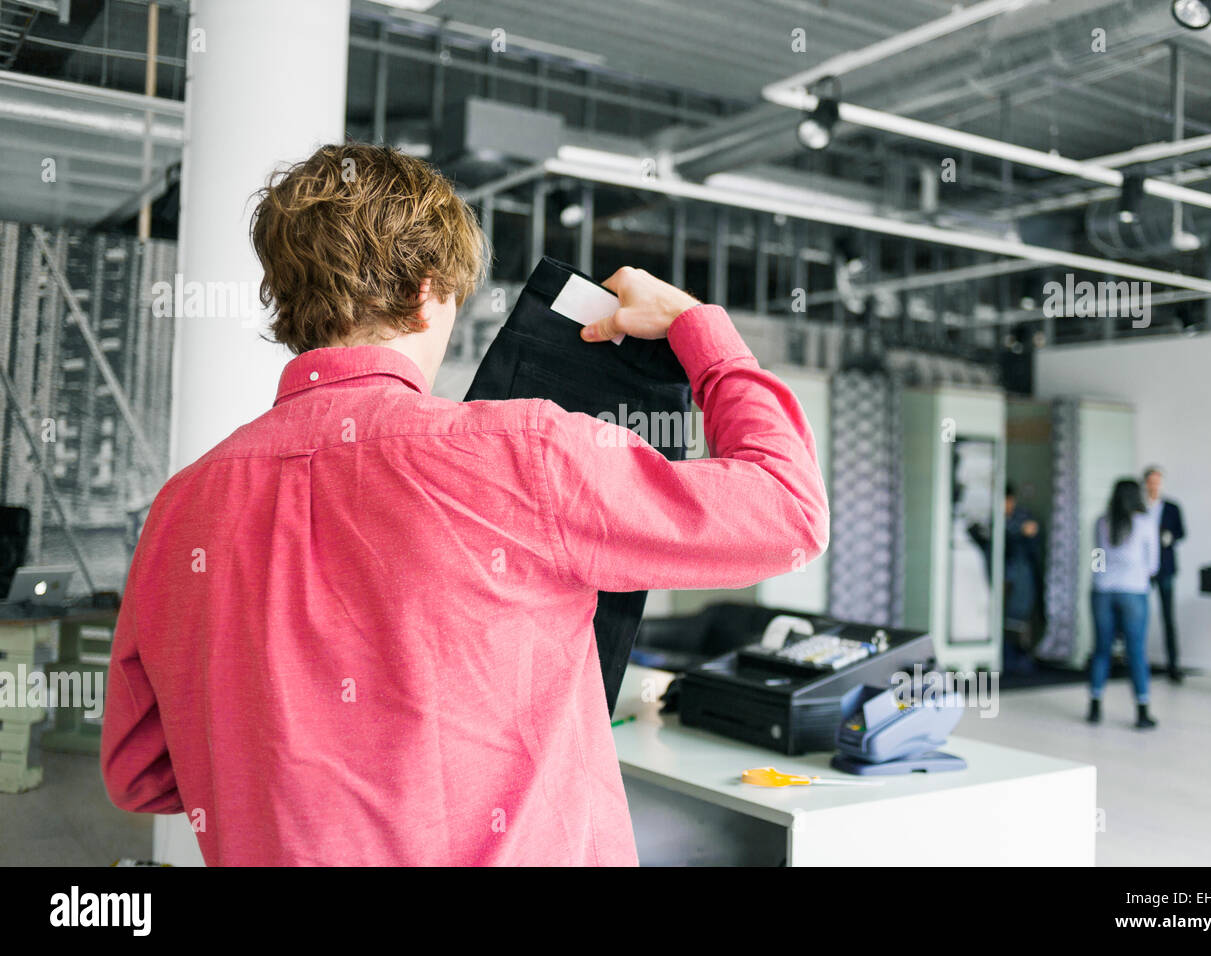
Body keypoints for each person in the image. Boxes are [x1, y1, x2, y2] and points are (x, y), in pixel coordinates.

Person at [99, 144, 830, 866]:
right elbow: (789, 512)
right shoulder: (523, 451)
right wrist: (697, 328)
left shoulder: (181, 507)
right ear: (427, 291)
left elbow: (141, 772)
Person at [1088, 478, 1159, 729]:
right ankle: (1142, 711)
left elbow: (1097, 558)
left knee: (1101, 650)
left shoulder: (1101, 522)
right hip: (1133, 591)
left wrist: (1102, 579)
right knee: (1136, 652)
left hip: (1102, 591)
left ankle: (1095, 707)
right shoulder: (1145, 523)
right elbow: (1153, 565)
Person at [1144, 465, 1186, 682]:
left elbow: (1181, 532)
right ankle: (1134, 662)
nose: (1154, 485)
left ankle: (1173, 665)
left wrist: (1170, 537)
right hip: (1142, 570)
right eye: (1150, 481)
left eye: (1157, 481)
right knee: (1137, 615)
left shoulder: (1171, 507)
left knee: (1168, 617)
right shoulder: (1139, 507)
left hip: (1165, 567)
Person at [1003, 484, 1041, 675]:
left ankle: (1018, 658)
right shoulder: (997, 519)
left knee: (1019, 615)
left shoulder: (1023, 515)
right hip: (1003, 572)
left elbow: (1033, 535)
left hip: (1021, 573)